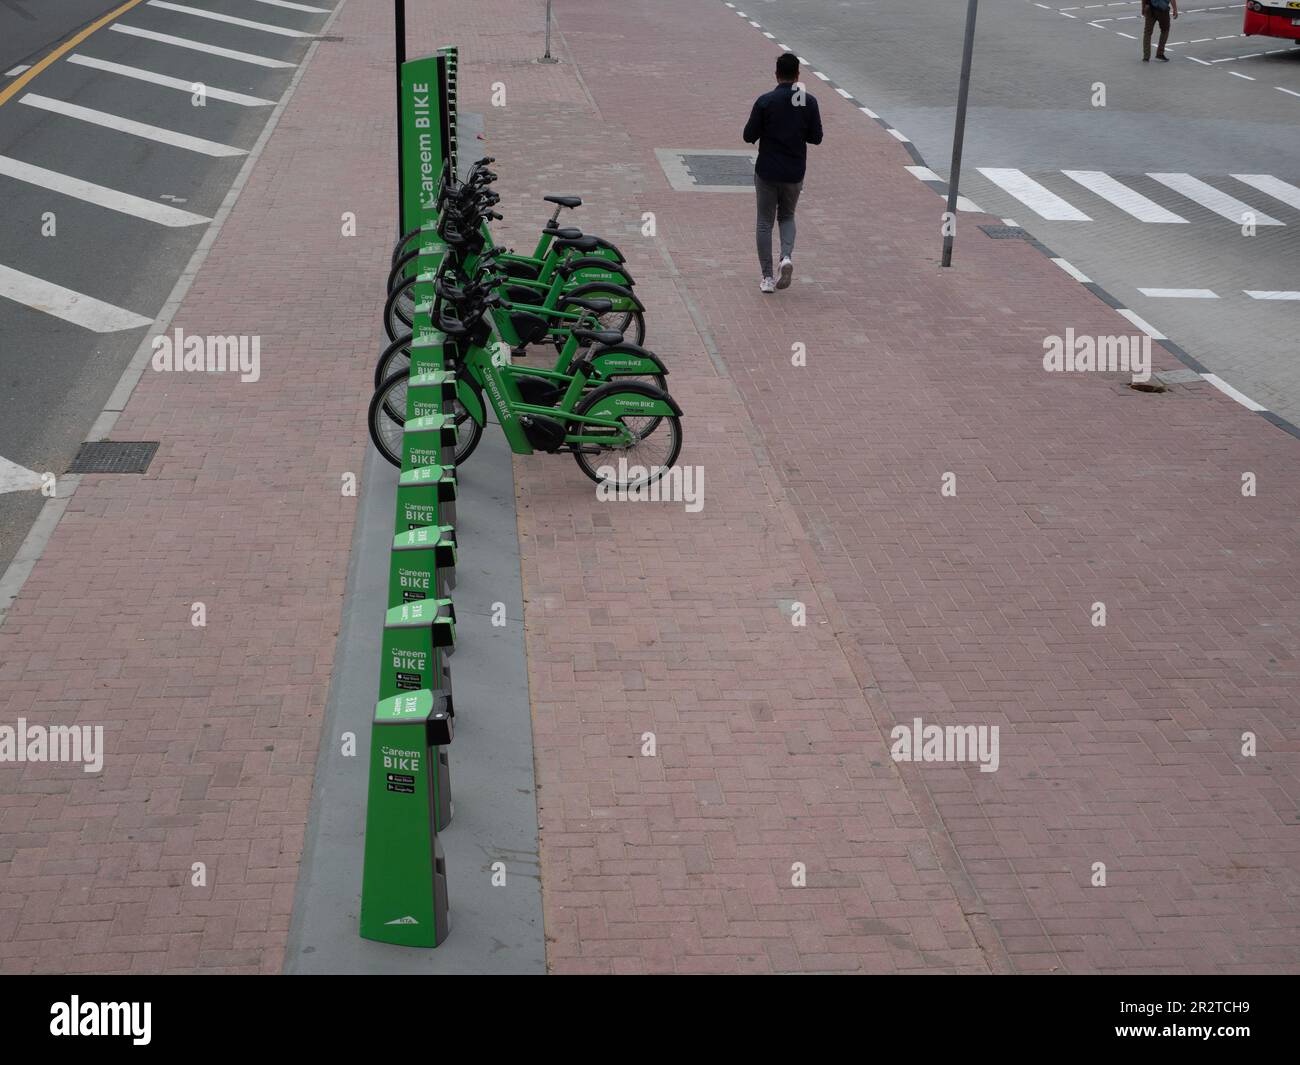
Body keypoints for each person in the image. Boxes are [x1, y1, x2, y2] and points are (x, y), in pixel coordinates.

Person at [743, 52, 823, 294]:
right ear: (798, 75)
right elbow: (816, 138)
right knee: (787, 217)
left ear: (776, 74)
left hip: (767, 171)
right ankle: (786, 257)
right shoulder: (809, 102)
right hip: (794, 172)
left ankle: (767, 277)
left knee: (764, 222)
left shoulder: (765, 101)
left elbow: (748, 135)